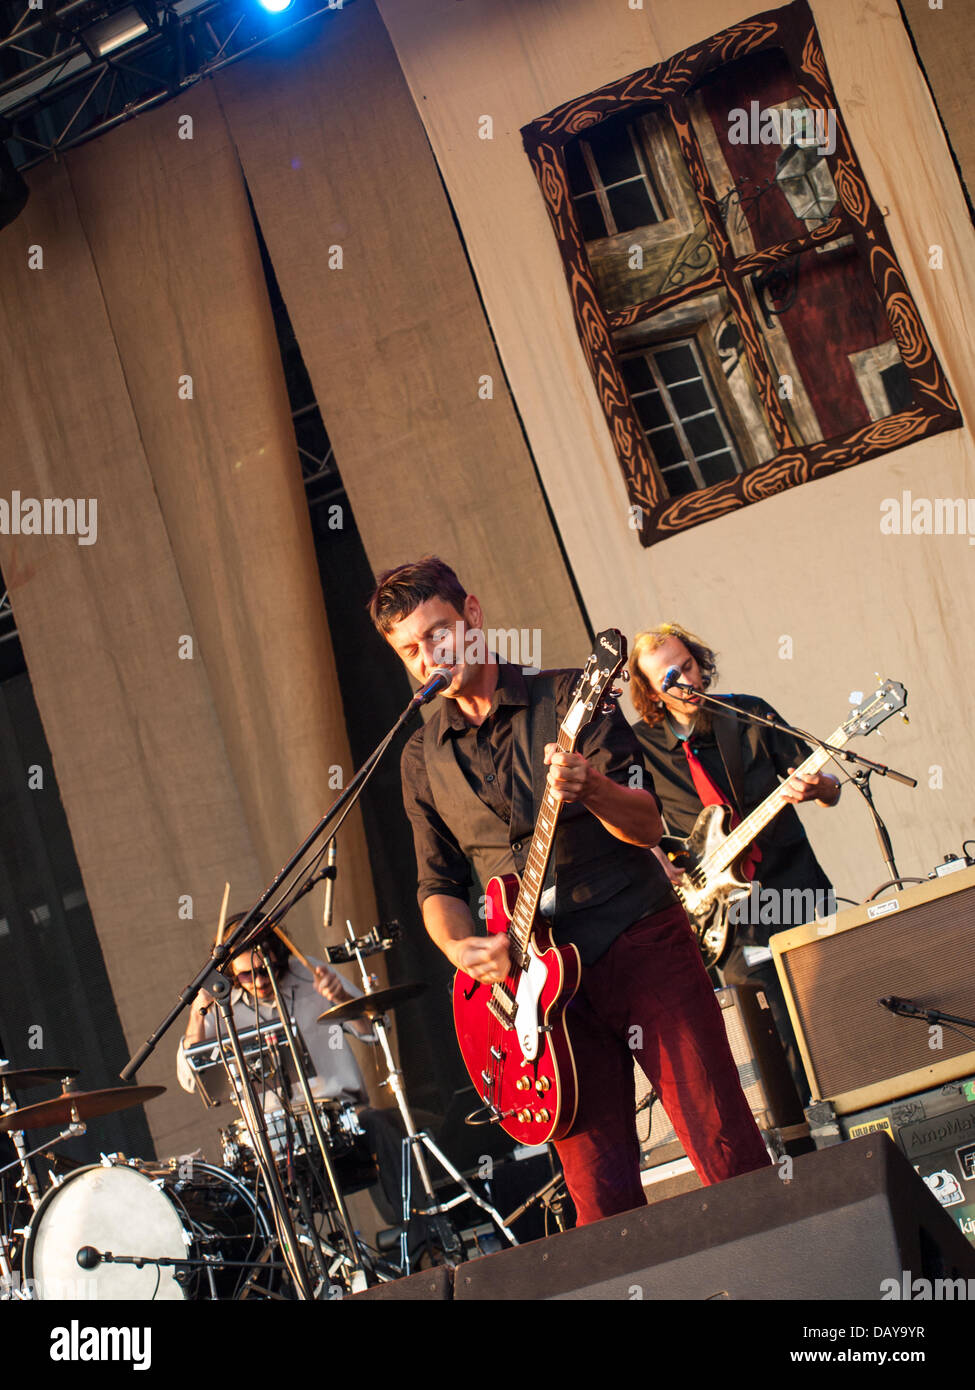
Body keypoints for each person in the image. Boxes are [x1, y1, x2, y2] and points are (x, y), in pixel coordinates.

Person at [368, 556, 771, 1227]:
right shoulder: (420, 757)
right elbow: (436, 884)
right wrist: (463, 949)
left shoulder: (568, 699)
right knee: (598, 1200)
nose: (426, 658)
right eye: (408, 649)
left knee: (722, 1144)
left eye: (437, 635)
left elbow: (646, 822)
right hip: (539, 994)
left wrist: (593, 788)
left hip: (636, 941)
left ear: (471, 614)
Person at [628, 623, 840, 1098]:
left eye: (687, 665)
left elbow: (829, 788)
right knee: (775, 1031)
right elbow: (633, 828)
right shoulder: (638, 748)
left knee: (830, 1008)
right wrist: (656, 862)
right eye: (668, 676)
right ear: (650, 692)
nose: (684, 678)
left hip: (794, 887)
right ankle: (802, 1140)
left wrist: (818, 788)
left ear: (700, 665)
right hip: (726, 913)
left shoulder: (749, 714)